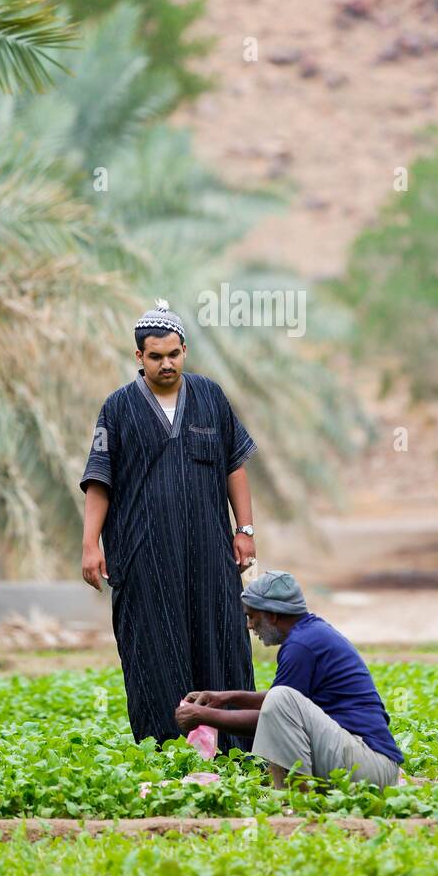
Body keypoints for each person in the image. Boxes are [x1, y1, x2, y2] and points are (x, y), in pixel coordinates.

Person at [80, 299, 259, 750]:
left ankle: (231, 746)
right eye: (155, 356)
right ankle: (164, 745)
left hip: (209, 552)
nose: (166, 363)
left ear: (185, 351)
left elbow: (234, 467)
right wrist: (90, 545)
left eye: (174, 354)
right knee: (151, 644)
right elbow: (99, 480)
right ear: (139, 357)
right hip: (143, 554)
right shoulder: (118, 409)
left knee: (220, 638)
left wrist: (245, 530)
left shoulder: (211, 398)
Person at [174, 569, 405, 788]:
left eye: (252, 616)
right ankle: (292, 796)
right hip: (366, 763)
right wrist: (225, 698)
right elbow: (281, 708)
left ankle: (297, 801)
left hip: (371, 767)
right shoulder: (311, 634)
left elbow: (275, 714)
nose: (249, 625)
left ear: (272, 614)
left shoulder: (301, 646)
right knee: (280, 699)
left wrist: (204, 716)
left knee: (280, 699)